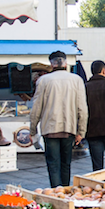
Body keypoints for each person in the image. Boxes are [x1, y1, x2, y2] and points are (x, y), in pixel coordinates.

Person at [30, 50, 88, 187]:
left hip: (49, 128)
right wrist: (81, 131)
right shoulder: (76, 80)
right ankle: (65, 191)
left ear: (51, 64)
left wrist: (33, 130)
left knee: (53, 164)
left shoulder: (43, 81)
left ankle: (56, 193)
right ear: (65, 62)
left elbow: (36, 108)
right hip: (69, 128)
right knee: (66, 163)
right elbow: (82, 108)